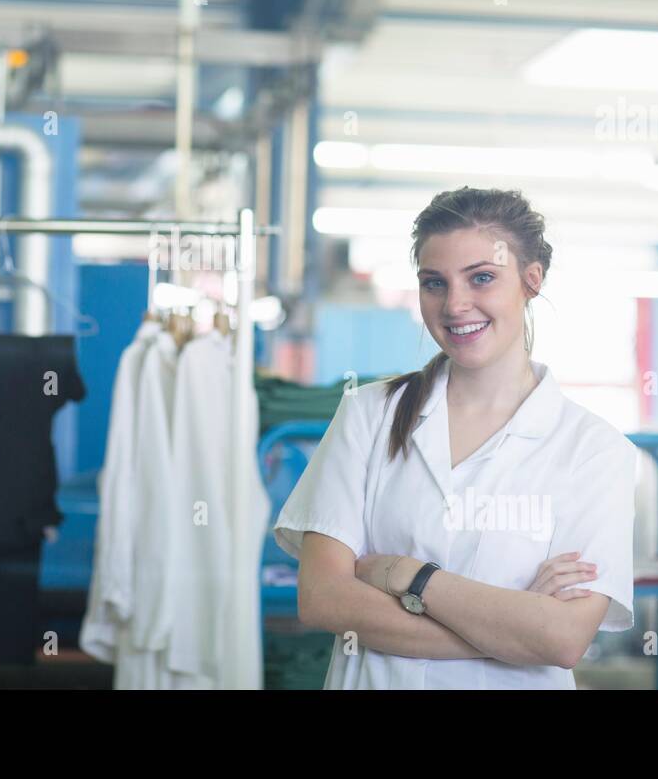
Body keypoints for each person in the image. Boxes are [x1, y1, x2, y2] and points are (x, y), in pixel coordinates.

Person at [273, 186, 637, 688]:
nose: (455, 304)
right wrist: (512, 629)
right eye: (434, 283)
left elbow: (564, 640)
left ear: (531, 282)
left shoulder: (595, 451)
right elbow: (322, 598)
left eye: (482, 278)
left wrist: (407, 575)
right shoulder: (368, 415)